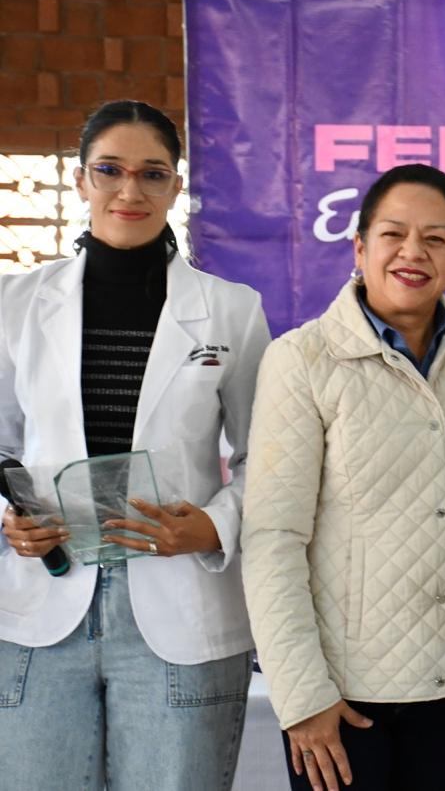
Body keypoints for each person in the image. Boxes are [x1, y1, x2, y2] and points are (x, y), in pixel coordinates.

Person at [0, 100, 271, 789]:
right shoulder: (16, 303)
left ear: (176, 186)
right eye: (110, 171)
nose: (130, 190)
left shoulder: (231, 309)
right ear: (81, 180)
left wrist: (213, 525)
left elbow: (267, 458)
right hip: (39, 607)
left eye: (153, 174)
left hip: (180, 606)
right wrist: (8, 525)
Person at [241, 164, 445, 791]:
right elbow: (273, 538)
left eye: (436, 239)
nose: (413, 252)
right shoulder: (302, 360)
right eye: (393, 234)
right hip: (343, 698)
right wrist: (303, 695)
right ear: (360, 248)